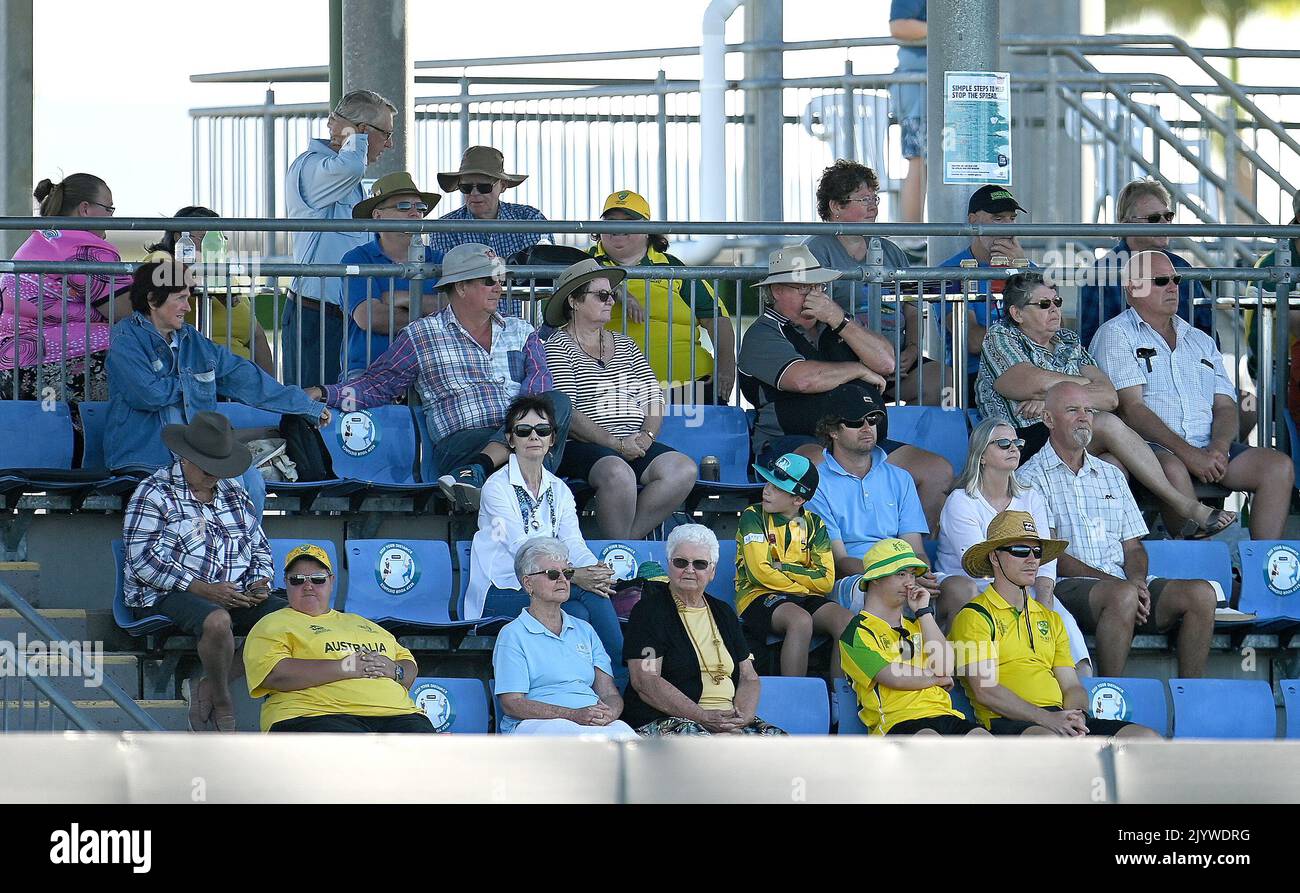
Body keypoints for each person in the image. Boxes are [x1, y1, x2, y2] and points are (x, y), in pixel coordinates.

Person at [309, 243, 571, 511]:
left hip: (521, 442)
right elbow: (378, 385)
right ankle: (510, 488)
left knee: (556, 402)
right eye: (489, 280)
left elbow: (540, 386)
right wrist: (323, 392)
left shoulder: (521, 329)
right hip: (464, 442)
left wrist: (519, 426)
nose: (499, 288)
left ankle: (479, 470)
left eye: (501, 280)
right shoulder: (421, 334)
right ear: (461, 287)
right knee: (535, 443)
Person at [978, 271, 1234, 536]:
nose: (1054, 309)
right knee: (1106, 423)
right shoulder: (1001, 337)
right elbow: (1024, 381)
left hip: (1069, 432)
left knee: (1112, 464)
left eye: (1057, 302)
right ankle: (1187, 507)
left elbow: (1110, 397)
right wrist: (1071, 388)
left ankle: (1111, 546)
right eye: (1044, 304)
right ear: (1018, 314)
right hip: (1019, 443)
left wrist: (1048, 398)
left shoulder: (1069, 340)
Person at [737, 245, 953, 529]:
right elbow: (803, 379)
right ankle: (831, 557)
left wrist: (839, 319)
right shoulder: (762, 333)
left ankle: (914, 562)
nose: (813, 295)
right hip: (793, 441)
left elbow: (887, 363)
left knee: (937, 471)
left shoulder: (837, 324)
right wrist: (858, 369)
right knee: (816, 467)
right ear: (776, 291)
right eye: (801, 287)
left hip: (860, 439)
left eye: (817, 286)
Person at [1017, 382, 1218, 678]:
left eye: (1088, 410)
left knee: (1202, 594)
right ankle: (1110, 698)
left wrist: (1137, 581)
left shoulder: (1111, 474)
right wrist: (1118, 584)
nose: (1084, 417)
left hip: (1122, 585)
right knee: (1122, 595)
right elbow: (1048, 555)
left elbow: (1134, 547)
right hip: (1065, 586)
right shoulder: (1030, 478)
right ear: (1048, 420)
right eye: (1072, 410)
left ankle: (1193, 696)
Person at [1092, 250, 1294, 540]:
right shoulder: (1116, 334)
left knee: (1277, 466)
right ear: (1132, 288)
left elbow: (1225, 405)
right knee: (1174, 468)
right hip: (1151, 449)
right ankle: (1205, 564)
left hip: (1206, 447)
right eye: (1161, 280)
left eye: (1176, 279)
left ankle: (1262, 569)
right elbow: (1131, 410)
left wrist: (1219, 448)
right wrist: (1190, 455)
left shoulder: (1200, 339)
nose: (1173, 286)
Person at [107, 262, 329, 516]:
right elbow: (148, 394)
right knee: (192, 494)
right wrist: (195, 380)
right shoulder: (125, 338)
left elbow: (248, 380)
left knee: (252, 482)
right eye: (180, 298)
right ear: (152, 299)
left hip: (200, 456)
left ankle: (243, 553)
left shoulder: (193, 340)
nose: (187, 307)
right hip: (146, 458)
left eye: (188, 298)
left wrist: (306, 406)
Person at [122, 412, 284, 732]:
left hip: (231, 590)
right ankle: (223, 698)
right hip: (164, 593)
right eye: (208, 469)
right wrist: (199, 588)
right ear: (186, 458)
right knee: (217, 620)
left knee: (290, 618)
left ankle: (210, 684)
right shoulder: (153, 491)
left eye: (219, 469)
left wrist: (260, 582)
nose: (214, 476)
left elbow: (260, 546)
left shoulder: (234, 492)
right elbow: (141, 560)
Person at [949, 510, 1160, 738]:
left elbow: (1071, 685)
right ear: (994, 557)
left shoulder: (1050, 617)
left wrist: (1076, 715)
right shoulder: (974, 616)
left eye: (1037, 552)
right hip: (1009, 722)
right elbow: (986, 691)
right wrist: (1047, 718)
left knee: (1146, 739)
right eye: (1020, 550)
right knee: (1052, 744)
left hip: (1058, 718)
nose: (1032, 560)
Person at [465, 395, 624, 686]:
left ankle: (579, 696)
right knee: (587, 598)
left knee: (577, 611)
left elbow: (573, 542)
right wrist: (578, 577)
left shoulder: (559, 489)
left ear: (553, 438)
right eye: (523, 430)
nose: (534, 437)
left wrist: (594, 571)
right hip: (500, 591)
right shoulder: (495, 487)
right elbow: (523, 550)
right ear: (511, 439)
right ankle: (622, 685)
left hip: (550, 588)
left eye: (542, 430)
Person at [542, 257, 697, 538]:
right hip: (581, 445)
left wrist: (646, 435)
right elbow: (570, 414)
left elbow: (653, 396)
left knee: (683, 469)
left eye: (612, 295)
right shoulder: (558, 347)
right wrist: (616, 444)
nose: (612, 301)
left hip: (631, 442)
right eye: (602, 295)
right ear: (574, 302)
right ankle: (626, 557)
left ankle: (627, 547)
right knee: (618, 472)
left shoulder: (625, 343)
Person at [936, 418, 1091, 672]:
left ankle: (1080, 699)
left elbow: (1043, 558)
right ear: (981, 456)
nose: (1014, 449)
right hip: (971, 584)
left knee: (1069, 640)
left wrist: (1043, 601)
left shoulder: (1031, 496)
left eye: (1016, 443)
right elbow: (981, 563)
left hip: (1023, 584)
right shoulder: (961, 500)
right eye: (1003, 443)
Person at [243, 544, 433, 733]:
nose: (308, 586)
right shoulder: (273, 623)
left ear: (331, 581)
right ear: (286, 583)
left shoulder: (363, 623)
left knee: (428, 749)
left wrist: (395, 670)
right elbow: (273, 675)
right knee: (346, 750)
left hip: (399, 714)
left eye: (318, 579)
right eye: (297, 580)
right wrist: (343, 667)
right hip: (314, 714)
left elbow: (409, 665)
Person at [622, 524, 785, 735]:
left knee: (782, 749)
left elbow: (749, 677)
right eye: (681, 562)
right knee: (723, 749)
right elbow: (646, 680)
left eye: (699, 564)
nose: (690, 570)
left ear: (712, 571)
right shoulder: (648, 612)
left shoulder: (723, 612)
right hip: (667, 720)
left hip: (725, 719)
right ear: (669, 565)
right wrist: (702, 716)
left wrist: (742, 718)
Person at [285, 89, 397, 389]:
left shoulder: (341, 173)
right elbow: (351, 165)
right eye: (385, 133)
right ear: (361, 131)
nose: (389, 143)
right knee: (312, 416)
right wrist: (351, 135)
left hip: (343, 316)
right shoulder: (314, 167)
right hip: (317, 316)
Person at [804, 160, 941, 404]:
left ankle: (919, 440)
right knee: (858, 397)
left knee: (943, 382)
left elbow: (911, 308)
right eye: (864, 200)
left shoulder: (892, 251)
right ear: (836, 206)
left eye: (874, 199)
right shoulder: (815, 251)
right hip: (842, 361)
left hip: (898, 360)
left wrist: (911, 349)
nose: (873, 207)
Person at [591, 189, 736, 404]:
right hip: (614, 393)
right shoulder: (584, 263)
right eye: (610, 221)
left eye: (629, 221)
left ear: (648, 230)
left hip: (689, 384)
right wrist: (615, 287)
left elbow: (716, 319)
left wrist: (726, 366)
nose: (617, 228)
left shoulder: (674, 267)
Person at [804, 388, 938, 613]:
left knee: (959, 589)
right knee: (880, 592)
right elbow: (839, 561)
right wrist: (891, 576)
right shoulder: (816, 482)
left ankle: (939, 649)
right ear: (833, 431)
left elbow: (916, 548)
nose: (867, 428)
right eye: (856, 422)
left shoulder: (900, 477)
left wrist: (919, 573)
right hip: (854, 579)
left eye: (872, 419)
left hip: (903, 572)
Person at [0, 174, 132, 401]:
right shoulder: (83, 247)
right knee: (140, 344)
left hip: (11, 364)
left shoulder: (44, 239)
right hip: (52, 365)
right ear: (85, 209)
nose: (112, 217)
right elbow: (124, 311)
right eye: (109, 209)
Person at [492, 537, 638, 738]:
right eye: (552, 574)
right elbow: (512, 703)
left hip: (588, 722)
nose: (562, 579)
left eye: (567, 573)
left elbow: (609, 694)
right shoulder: (512, 634)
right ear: (528, 583)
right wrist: (573, 715)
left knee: (634, 745)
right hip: (536, 725)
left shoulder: (585, 630)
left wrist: (608, 714)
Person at [840, 538, 988, 735]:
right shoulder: (857, 631)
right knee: (929, 742)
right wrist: (937, 679)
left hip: (946, 715)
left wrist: (924, 612)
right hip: (898, 721)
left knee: (985, 743)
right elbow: (894, 677)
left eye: (911, 575)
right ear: (876, 578)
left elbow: (945, 667)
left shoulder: (921, 624)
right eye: (901, 574)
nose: (910, 583)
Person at [735, 452, 849, 678]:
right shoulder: (752, 515)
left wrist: (784, 568)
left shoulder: (815, 524)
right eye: (768, 482)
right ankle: (794, 698)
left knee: (846, 622)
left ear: (798, 499)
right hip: (756, 595)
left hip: (802, 597)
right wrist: (804, 584)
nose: (767, 490)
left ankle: (838, 702)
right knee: (800, 620)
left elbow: (826, 581)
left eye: (777, 487)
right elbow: (761, 572)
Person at [1079, 178, 1214, 350]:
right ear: (1126, 224)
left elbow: (1207, 337)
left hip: (1185, 371)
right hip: (1121, 370)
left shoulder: (1182, 267)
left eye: (1168, 216)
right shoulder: (1102, 274)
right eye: (1154, 218)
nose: (1165, 223)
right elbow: (1091, 344)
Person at [145, 206, 275, 376]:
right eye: (207, 238)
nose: (215, 244)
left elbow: (256, 335)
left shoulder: (224, 276)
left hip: (241, 378)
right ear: (180, 237)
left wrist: (269, 388)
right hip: (192, 376)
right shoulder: (161, 258)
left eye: (219, 238)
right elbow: (163, 278)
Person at [339, 172, 442, 379]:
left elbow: (454, 309)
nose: (415, 213)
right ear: (378, 216)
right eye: (403, 206)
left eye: (420, 207)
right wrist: (429, 315)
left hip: (430, 368)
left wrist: (401, 298)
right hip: (369, 368)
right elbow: (370, 318)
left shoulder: (441, 259)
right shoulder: (358, 258)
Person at [938, 185, 1034, 401]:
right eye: (998, 219)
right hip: (975, 375)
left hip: (1033, 370)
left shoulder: (1029, 269)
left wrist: (1020, 272)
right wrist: (1029, 337)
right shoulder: (951, 272)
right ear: (973, 221)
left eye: (1012, 218)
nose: (1007, 228)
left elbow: (1054, 328)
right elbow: (971, 340)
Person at [429, 145, 549, 317]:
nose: (474, 193)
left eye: (484, 187)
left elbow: (541, 272)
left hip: (522, 331)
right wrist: (509, 267)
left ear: (503, 185)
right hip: (468, 332)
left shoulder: (530, 218)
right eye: (466, 188)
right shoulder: (445, 227)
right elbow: (452, 284)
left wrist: (477, 274)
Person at [889, 0, 928, 226]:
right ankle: (912, 237)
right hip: (918, 83)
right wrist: (951, 30)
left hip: (941, 83)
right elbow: (899, 26)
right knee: (919, 159)